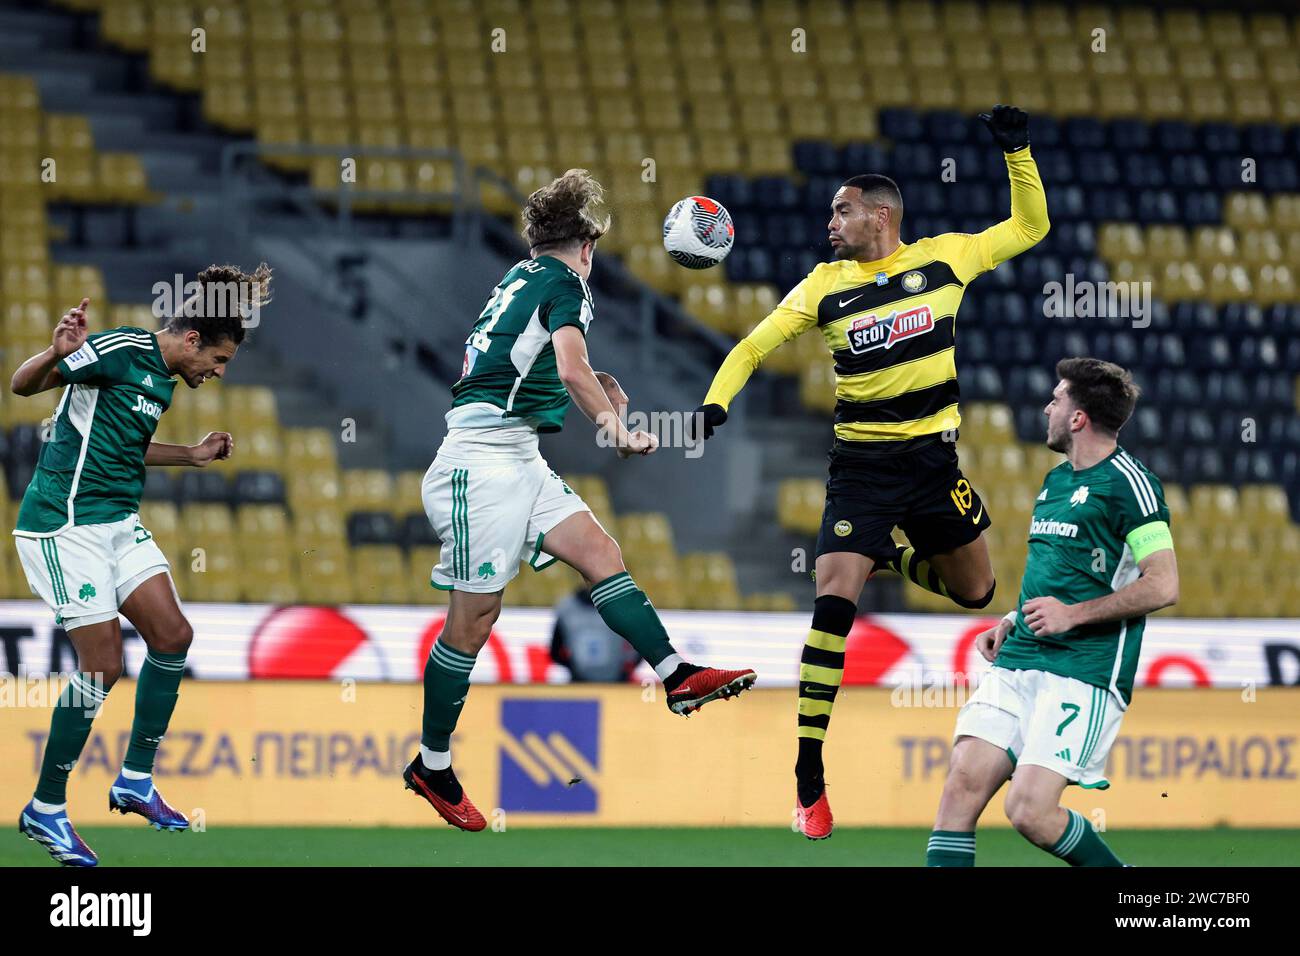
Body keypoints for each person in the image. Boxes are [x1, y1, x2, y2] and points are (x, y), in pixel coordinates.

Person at [691, 105, 1050, 839]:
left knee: (976, 590)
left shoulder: (946, 258)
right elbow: (751, 347)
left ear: (881, 216)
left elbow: (1028, 229)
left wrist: (1017, 151)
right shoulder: (823, 286)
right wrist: (712, 406)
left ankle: (892, 554)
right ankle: (808, 771)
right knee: (834, 599)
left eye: (843, 210)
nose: (832, 221)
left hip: (931, 462)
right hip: (861, 466)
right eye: (832, 211)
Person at [405, 169, 756, 832]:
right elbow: (565, 367)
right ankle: (432, 763)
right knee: (473, 622)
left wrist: (601, 381)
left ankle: (676, 675)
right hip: (478, 465)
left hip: (516, 456)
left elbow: (525, 358)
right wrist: (616, 427)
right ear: (587, 247)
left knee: (600, 550)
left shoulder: (520, 277)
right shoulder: (567, 284)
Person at [11, 263, 270, 866]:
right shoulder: (118, 351)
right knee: (102, 666)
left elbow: (126, 444)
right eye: (220, 359)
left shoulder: (167, 378)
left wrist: (194, 454)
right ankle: (46, 808)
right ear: (190, 342)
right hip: (64, 524)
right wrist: (55, 353)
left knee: (174, 635)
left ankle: (134, 778)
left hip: (117, 522)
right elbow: (24, 387)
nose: (220, 372)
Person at [927, 358, 1178, 866]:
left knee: (1030, 812)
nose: (1048, 406)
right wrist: (1014, 619)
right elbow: (1059, 573)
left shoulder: (1132, 483)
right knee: (960, 787)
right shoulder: (1056, 481)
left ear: (1079, 417)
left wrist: (1073, 615)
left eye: (1057, 398)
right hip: (1020, 659)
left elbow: (1164, 583)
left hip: (1081, 671)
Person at [550, 585, 642, 683]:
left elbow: (641, 646)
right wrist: (573, 669)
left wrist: (624, 672)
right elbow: (555, 650)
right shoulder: (567, 608)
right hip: (580, 683)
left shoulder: (624, 604)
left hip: (616, 683)